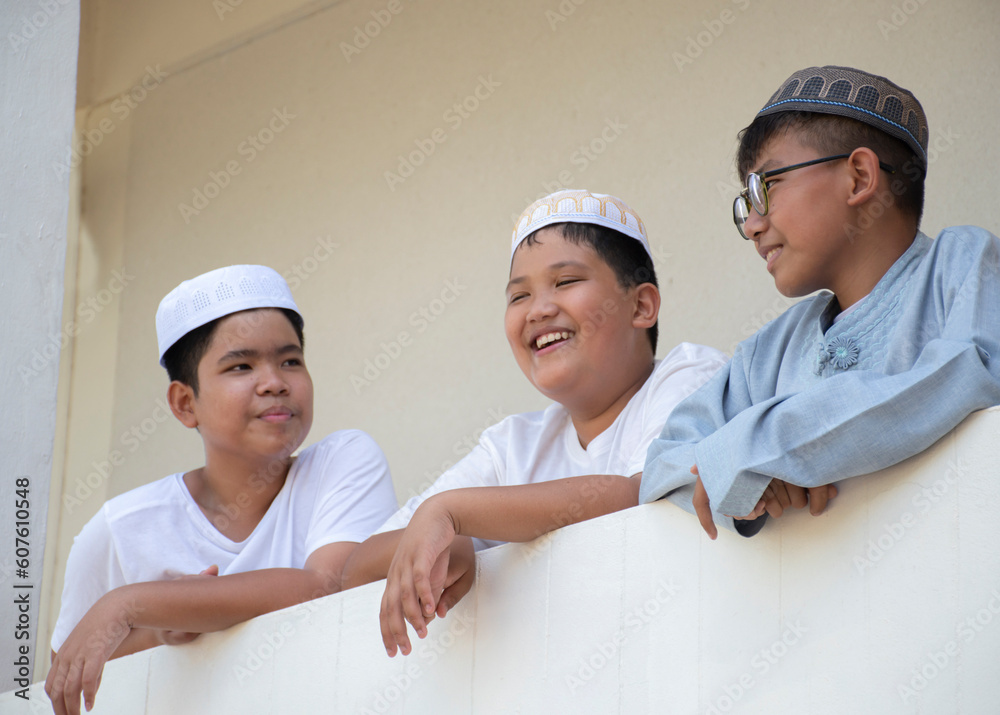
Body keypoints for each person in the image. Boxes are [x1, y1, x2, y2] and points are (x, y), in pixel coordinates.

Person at [341, 190, 730, 656]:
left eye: (565, 281)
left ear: (641, 306)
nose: (538, 309)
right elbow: (356, 567)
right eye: (519, 295)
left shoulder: (690, 374)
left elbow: (639, 492)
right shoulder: (512, 445)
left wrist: (451, 514)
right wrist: (452, 542)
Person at [641, 65, 1000, 539]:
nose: (752, 225)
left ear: (858, 177)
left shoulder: (963, 263)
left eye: (765, 188)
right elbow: (662, 467)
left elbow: (971, 373)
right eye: (745, 204)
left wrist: (765, 450)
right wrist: (754, 489)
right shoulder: (767, 354)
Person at [46, 265, 397, 715]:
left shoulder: (342, 462)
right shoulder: (123, 529)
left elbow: (328, 587)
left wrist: (131, 604)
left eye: (290, 361)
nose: (275, 382)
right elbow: (66, 680)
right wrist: (160, 630)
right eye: (241, 366)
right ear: (185, 403)